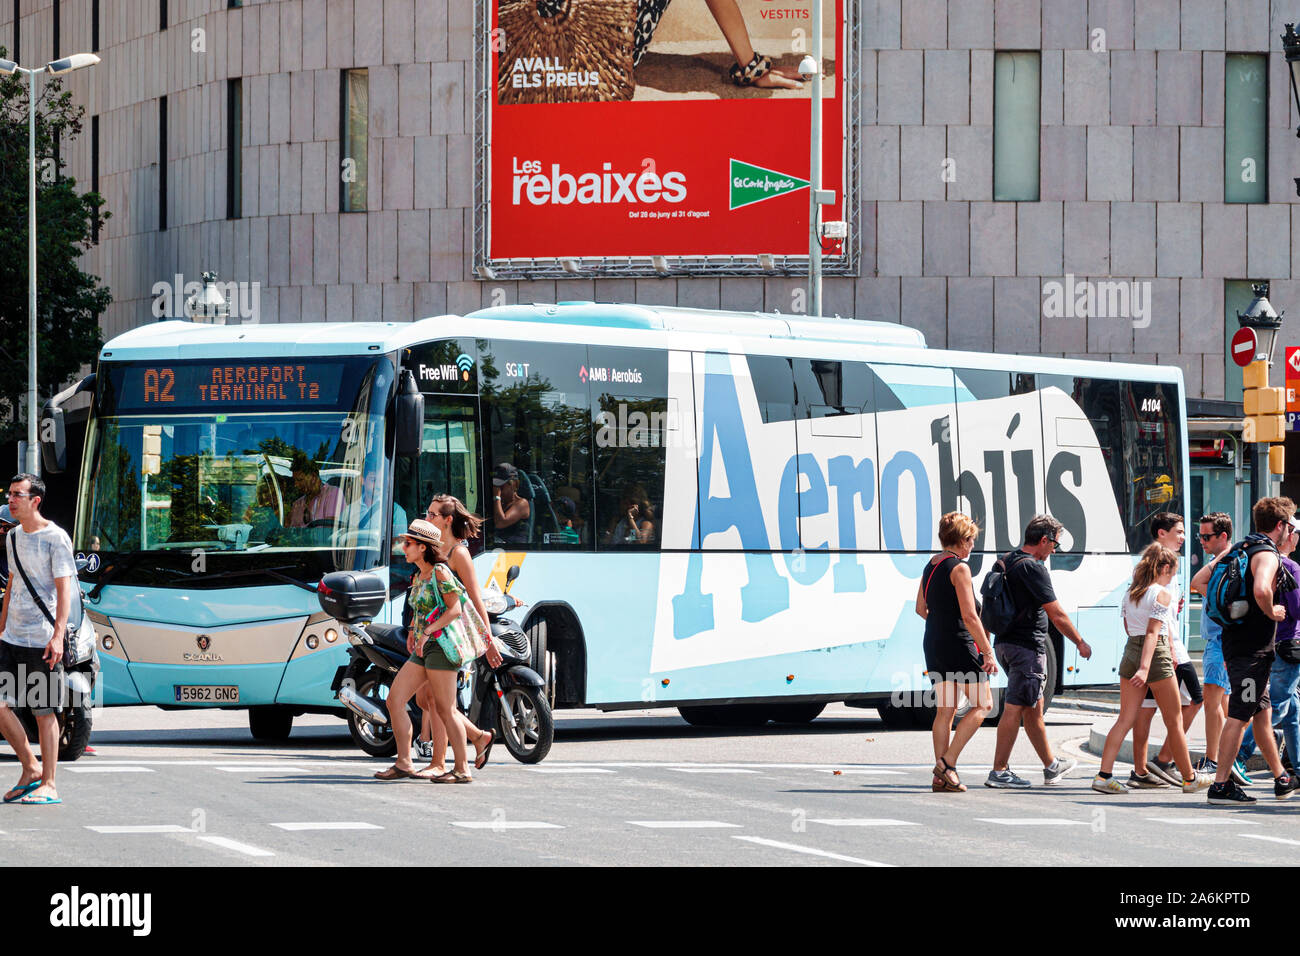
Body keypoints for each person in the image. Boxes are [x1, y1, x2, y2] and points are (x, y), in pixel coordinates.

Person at [1091, 545, 1213, 794]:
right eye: (1173, 573)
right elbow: (1153, 632)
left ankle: (1103, 776)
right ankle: (1190, 779)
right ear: (1165, 568)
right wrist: (1146, 668)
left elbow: (1129, 628)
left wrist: (1139, 664)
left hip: (1130, 651)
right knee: (1174, 720)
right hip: (1154, 654)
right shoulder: (1161, 594)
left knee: (1125, 719)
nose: (1173, 579)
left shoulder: (1131, 593)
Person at [985, 515, 1092, 789]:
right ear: (1044, 540)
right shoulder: (1033, 568)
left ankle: (1051, 766)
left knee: (1033, 707)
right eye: (1054, 544)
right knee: (1014, 708)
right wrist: (1080, 641)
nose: (1054, 550)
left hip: (1005, 643)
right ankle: (999, 771)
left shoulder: (1007, 560)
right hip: (1026, 648)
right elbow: (1056, 613)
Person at [1206, 497, 1300, 805]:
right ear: (1280, 526)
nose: (1291, 531)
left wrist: (1234, 610)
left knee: (1263, 714)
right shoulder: (1267, 555)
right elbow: (1262, 588)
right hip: (1251, 653)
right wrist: (1270, 611)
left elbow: (1198, 581)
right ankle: (1220, 786)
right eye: (1290, 525)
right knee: (1239, 716)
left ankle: (1281, 779)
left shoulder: (1239, 549)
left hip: (1239, 645)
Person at [373, 520, 478, 783]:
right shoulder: (418, 575)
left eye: (408, 543)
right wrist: (412, 630)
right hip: (422, 647)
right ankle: (404, 762)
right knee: (395, 699)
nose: (403, 547)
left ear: (422, 547)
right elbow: (420, 610)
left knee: (445, 708)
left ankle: (462, 768)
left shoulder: (440, 572)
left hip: (441, 646)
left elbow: (455, 609)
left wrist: (429, 631)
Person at [0, 474, 76, 805]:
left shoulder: (56, 538)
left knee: (44, 709)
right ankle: (30, 767)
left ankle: (50, 782)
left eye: (18, 495)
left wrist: (58, 635)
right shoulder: (13, 537)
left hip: (42, 638)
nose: (11, 500)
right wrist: (1, 628)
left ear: (36, 501)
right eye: (10, 494)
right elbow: (12, 586)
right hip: (12, 636)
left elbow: (64, 591)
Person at [412, 494, 500, 775]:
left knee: (438, 701)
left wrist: (488, 641)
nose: (428, 519)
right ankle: (477, 737)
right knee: (427, 700)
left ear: (448, 520)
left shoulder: (458, 554)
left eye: (433, 515)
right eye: (427, 513)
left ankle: (441, 762)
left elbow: (475, 599)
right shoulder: (435, 548)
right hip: (431, 636)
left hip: (451, 637)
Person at [914, 512, 997, 792]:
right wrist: (987, 652)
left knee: (945, 711)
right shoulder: (959, 568)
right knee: (984, 704)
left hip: (934, 642)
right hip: (959, 643)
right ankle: (947, 764)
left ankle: (941, 777)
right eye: (972, 539)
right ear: (962, 540)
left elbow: (920, 609)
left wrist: (942, 625)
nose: (973, 545)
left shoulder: (932, 564)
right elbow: (971, 616)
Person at [1129, 513, 1204, 788]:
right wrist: (1172, 649)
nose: (1183, 537)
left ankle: (1140, 770)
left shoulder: (1152, 563)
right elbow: (1159, 620)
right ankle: (1163, 761)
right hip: (1168, 648)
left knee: (1146, 709)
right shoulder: (1165, 564)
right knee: (1195, 699)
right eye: (1179, 532)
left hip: (1155, 646)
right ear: (1162, 533)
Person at [1232, 517, 1300, 778]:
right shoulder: (1290, 566)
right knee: (1279, 705)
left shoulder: (1255, 558)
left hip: (1268, 641)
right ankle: (1239, 755)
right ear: (1288, 532)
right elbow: (1296, 609)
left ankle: (1297, 766)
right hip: (1288, 644)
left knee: (1292, 711)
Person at [1188, 513, 1237, 779]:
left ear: (1223, 537)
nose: (1202, 541)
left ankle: (1213, 759)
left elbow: (1197, 583)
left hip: (1220, 640)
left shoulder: (1225, 562)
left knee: (1211, 699)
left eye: (1207, 537)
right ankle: (1234, 753)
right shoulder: (1218, 563)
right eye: (1201, 536)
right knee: (1225, 704)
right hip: (1217, 640)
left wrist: (1225, 554)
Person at [285, 453, 342, 528]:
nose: (296, 485)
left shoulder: (333, 494)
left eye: (300, 480)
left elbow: (330, 530)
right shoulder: (297, 505)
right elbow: (289, 532)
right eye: (295, 481)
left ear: (313, 477)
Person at [490, 463, 530, 544]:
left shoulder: (522, 503)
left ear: (513, 484)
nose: (498, 490)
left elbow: (500, 523)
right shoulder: (499, 504)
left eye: (501, 487)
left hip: (514, 550)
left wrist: (497, 496)